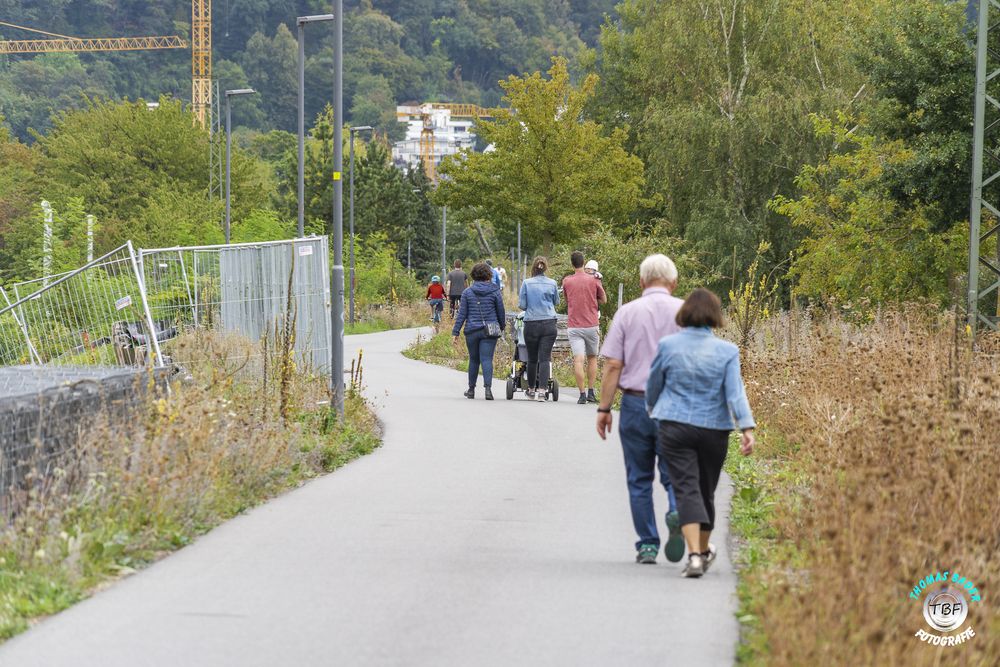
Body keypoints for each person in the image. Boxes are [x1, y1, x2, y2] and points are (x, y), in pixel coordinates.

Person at [647, 288, 755, 578]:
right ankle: (700, 553)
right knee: (706, 490)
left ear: (684, 314)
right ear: (715, 316)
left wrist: (652, 407)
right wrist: (747, 427)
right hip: (714, 430)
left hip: (675, 426)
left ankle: (698, 555)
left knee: (687, 488)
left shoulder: (668, 346)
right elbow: (735, 394)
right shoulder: (728, 351)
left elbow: (654, 384)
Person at [595, 254, 684, 565]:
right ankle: (675, 509)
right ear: (674, 282)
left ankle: (647, 543)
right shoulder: (686, 313)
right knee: (674, 473)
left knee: (638, 477)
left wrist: (604, 408)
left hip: (635, 402)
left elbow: (613, 364)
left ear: (642, 282)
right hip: (675, 404)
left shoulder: (627, 312)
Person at [452, 262, 506, 400]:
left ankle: (471, 390)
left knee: (474, 360)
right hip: (490, 330)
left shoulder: (467, 292)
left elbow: (462, 314)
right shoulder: (495, 291)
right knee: (487, 359)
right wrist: (502, 325)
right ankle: (488, 390)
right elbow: (501, 311)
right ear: (489, 274)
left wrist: (456, 332)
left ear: (474, 275)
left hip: (472, 331)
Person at [562, 251, 607, 404]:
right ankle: (591, 392)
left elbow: (567, 300)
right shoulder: (594, 280)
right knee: (592, 357)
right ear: (584, 262)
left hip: (574, 325)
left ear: (572, 264)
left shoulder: (567, 281)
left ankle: (581, 394)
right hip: (591, 324)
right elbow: (604, 300)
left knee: (578, 360)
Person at [518, 256, 559, 402]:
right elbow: (556, 302)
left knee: (532, 358)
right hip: (549, 323)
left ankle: (531, 390)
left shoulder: (527, 283)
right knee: (545, 358)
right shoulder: (552, 283)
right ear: (545, 267)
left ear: (533, 267)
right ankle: (543, 391)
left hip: (531, 324)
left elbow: (522, 305)